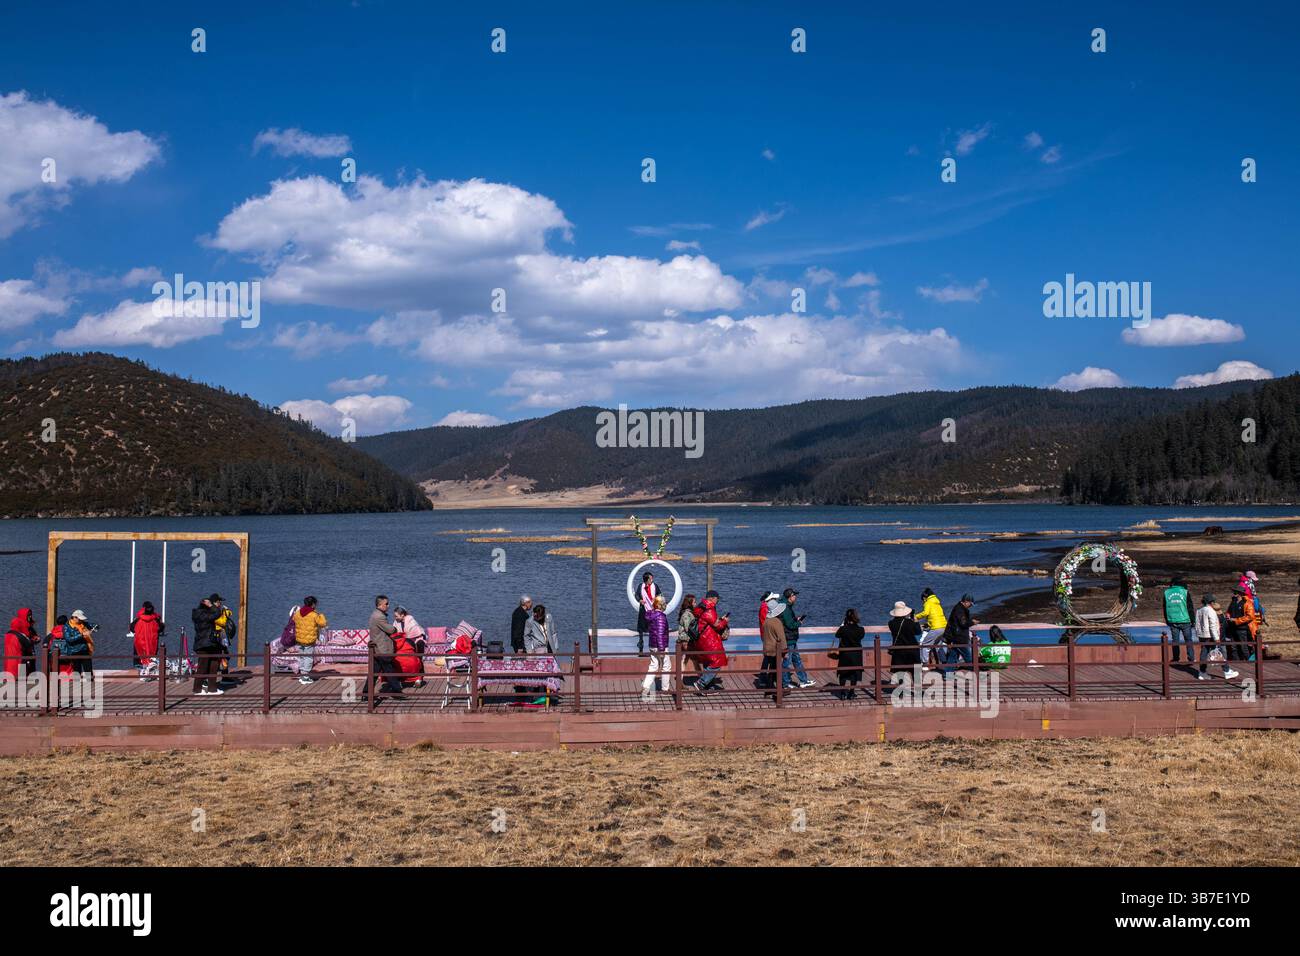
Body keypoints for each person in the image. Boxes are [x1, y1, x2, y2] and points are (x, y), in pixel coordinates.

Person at [1194, 594, 1238, 681]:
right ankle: (1227, 671)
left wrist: (1199, 634)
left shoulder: (1199, 610)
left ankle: (1202, 672)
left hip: (1202, 635)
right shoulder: (1211, 611)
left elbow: (1197, 624)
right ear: (1211, 602)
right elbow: (1213, 626)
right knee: (1219, 652)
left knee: (1204, 653)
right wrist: (1216, 638)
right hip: (1210, 635)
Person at [693, 591, 729, 694]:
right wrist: (725, 621)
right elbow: (718, 625)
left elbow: (710, 622)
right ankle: (701, 683)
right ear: (712, 598)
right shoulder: (709, 609)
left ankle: (708, 687)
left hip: (702, 639)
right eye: (717, 598)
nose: (718, 601)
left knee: (708, 661)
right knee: (717, 660)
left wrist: (720, 620)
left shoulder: (702, 607)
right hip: (709, 640)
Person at [368, 595, 404, 696]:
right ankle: (397, 692)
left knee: (374, 673)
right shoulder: (379, 617)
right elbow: (390, 630)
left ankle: (366, 693)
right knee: (389, 671)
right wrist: (395, 628)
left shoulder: (376, 614)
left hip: (377, 648)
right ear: (380, 605)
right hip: (382, 648)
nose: (388, 606)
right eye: (386, 604)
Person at [779, 588, 814, 688]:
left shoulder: (787, 606)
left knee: (796, 659)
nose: (796, 597)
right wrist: (798, 623)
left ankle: (803, 681)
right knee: (787, 661)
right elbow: (789, 625)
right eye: (794, 595)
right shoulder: (785, 607)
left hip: (791, 638)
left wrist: (795, 619)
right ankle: (785, 683)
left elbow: (788, 621)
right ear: (790, 597)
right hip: (788, 638)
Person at [641, 594, 673, 701]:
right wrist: (662, 649)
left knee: (654, 665)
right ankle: (665, 689)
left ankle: (646, 686)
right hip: (660, 645)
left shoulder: (651, 615)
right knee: (666, 666)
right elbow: (660, 633)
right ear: (661, 605)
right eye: (664, 604)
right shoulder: (661, 617)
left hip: (652, 644)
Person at [191, 597, 223, 695]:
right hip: (207, 643)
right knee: (208, 665)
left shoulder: (197, 614)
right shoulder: (205, 615)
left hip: (203, 643)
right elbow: (218, 613)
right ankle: (202, 689)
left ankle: (206, 689)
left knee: (208, 665)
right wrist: (211, 605)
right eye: (209, 604)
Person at [757, 593, 789, 690]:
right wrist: (785, 651)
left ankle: (769, 688)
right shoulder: (777, 622)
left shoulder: (766, 621)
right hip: (775, 649)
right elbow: (781, 638)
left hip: (767, 646)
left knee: (771, 668)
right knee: (775, 670)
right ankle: (777, 690)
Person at [293, 596, 327, 685]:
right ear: (313, 604)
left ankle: (302, 675)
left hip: (299, 639)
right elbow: (323, 623)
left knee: (302, 657)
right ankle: (305, 677)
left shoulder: (298, 613)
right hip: (309, 640)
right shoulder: (314, 614)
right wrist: (321, 615)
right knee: (308, 658)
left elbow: (294, 620)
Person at [833, 609, 865, 699]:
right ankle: (851, 693)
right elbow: (861, 636)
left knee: (843, 673)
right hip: (856, 655)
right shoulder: (860, 630)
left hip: (845, 654)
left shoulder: (843, 629)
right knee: (854, 674)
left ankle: (843, 693)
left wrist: (843, 625)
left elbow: (837, 635)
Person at [1162, 576, 1195, 664]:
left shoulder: (1167, 592)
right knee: (1188, 640)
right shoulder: (1185, 592)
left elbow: (1165, 608)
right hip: (1185, 620)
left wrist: (1167, 620)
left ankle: (1176, 658)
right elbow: (1190, 607)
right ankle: (1191, 658)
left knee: (1175, 640)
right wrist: (1193, 620)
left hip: (1172, 620)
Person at [941, 594, 977, 673]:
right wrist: (972, 622)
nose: (971, 606)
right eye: (970, 604)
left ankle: (947, 675)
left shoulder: (959, 608)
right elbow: (963, 623)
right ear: (966, 602)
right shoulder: (960, 610)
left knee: (952, 657)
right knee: (969, 657)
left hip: (955, 636)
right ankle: (977, 673)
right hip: (959, 637)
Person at [393, 605, 426, 687]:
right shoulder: (396, 622)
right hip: (404, 642)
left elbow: (416, 633)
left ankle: (419, 679)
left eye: (396, 616)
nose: (395, 618)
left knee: (418, 658)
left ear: (402, 615)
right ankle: (401, 679)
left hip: (416, 640)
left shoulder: (411, 621)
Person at [915, 587, 947, 671]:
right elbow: (935, 615)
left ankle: (924, 664)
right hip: (944, 626)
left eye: (923, 600)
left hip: (936, 628)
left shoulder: (928, 602)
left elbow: (926, 613)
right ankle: (943, 662)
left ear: (925, 597)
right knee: (938, 645)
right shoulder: (936, 602)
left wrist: (916, 617)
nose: (923, 602)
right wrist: (928, 624)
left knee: (925, 645)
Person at [129, 601, 164, 677]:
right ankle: (150, 668)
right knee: (152, 656)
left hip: (140, 641)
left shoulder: (139, 618)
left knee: (138, 654)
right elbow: (161, 628)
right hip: (152, 642)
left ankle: (139, 668)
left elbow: (132, 628)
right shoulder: (155, 618)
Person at [1224, 586, 1258, 663]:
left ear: (1240, 593)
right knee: (1233, 647)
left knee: (1243, 647)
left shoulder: (1247, 603)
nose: (1233, 593)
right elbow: (1228, 611)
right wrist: (1228, 615)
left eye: (1235, 592)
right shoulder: (1233, 601)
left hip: (1242, 628)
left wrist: (1236, 620)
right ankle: (1237, 663)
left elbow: (1250, 616)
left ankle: (1248, 663)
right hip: (1232, 627)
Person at [887, 602, 921, 674]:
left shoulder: (891, 623)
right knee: (917, 675)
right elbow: (918, 631)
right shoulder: (909, 622)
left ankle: (901, 684)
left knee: (900, 674)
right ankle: (917, 685)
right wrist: (916, 621)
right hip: (912, 650)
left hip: (898, 651)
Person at [3, 608, 38, 680]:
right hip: (21, 661)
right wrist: (33, 641)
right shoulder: (20, 636)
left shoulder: (8, 634)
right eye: (28, 615)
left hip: (10, 662)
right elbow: (27, 644)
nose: (30, 617)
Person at [64, 609, 95, 675]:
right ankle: (77, 684)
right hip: (74, 651)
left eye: (82, 619)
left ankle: (90, 684)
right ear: (74, 617)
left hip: (84, 649)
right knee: (77, 671)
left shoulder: (83, 624)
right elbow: (69, 639)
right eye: (80, 619)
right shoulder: (67, 627)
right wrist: (82, 634)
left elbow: (93, 625)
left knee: (88, 670)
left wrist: (94, 628)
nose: (81, 621)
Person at [678, 594, 701, 677]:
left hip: (686, 640)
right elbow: (688, 628)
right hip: (687, 640)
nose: (695, 604)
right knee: (694, 660)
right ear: (690, 603)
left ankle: (680, 680)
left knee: (685, 659)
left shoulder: (687, 613)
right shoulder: (687, 614)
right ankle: (702, 680)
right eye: (694, 602)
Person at [636, 571, 659, 656]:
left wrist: (656, 599)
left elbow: (659, 594)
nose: (652, 580)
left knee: (652, 628)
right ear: (646, 579)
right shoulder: (640, 586)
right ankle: (640, 645)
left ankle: (652, 646)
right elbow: (637, 595)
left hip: (652, 609)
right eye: (650, 578)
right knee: (641, 628)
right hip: (643, 609)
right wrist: (640, 600)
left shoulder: (655, 586)